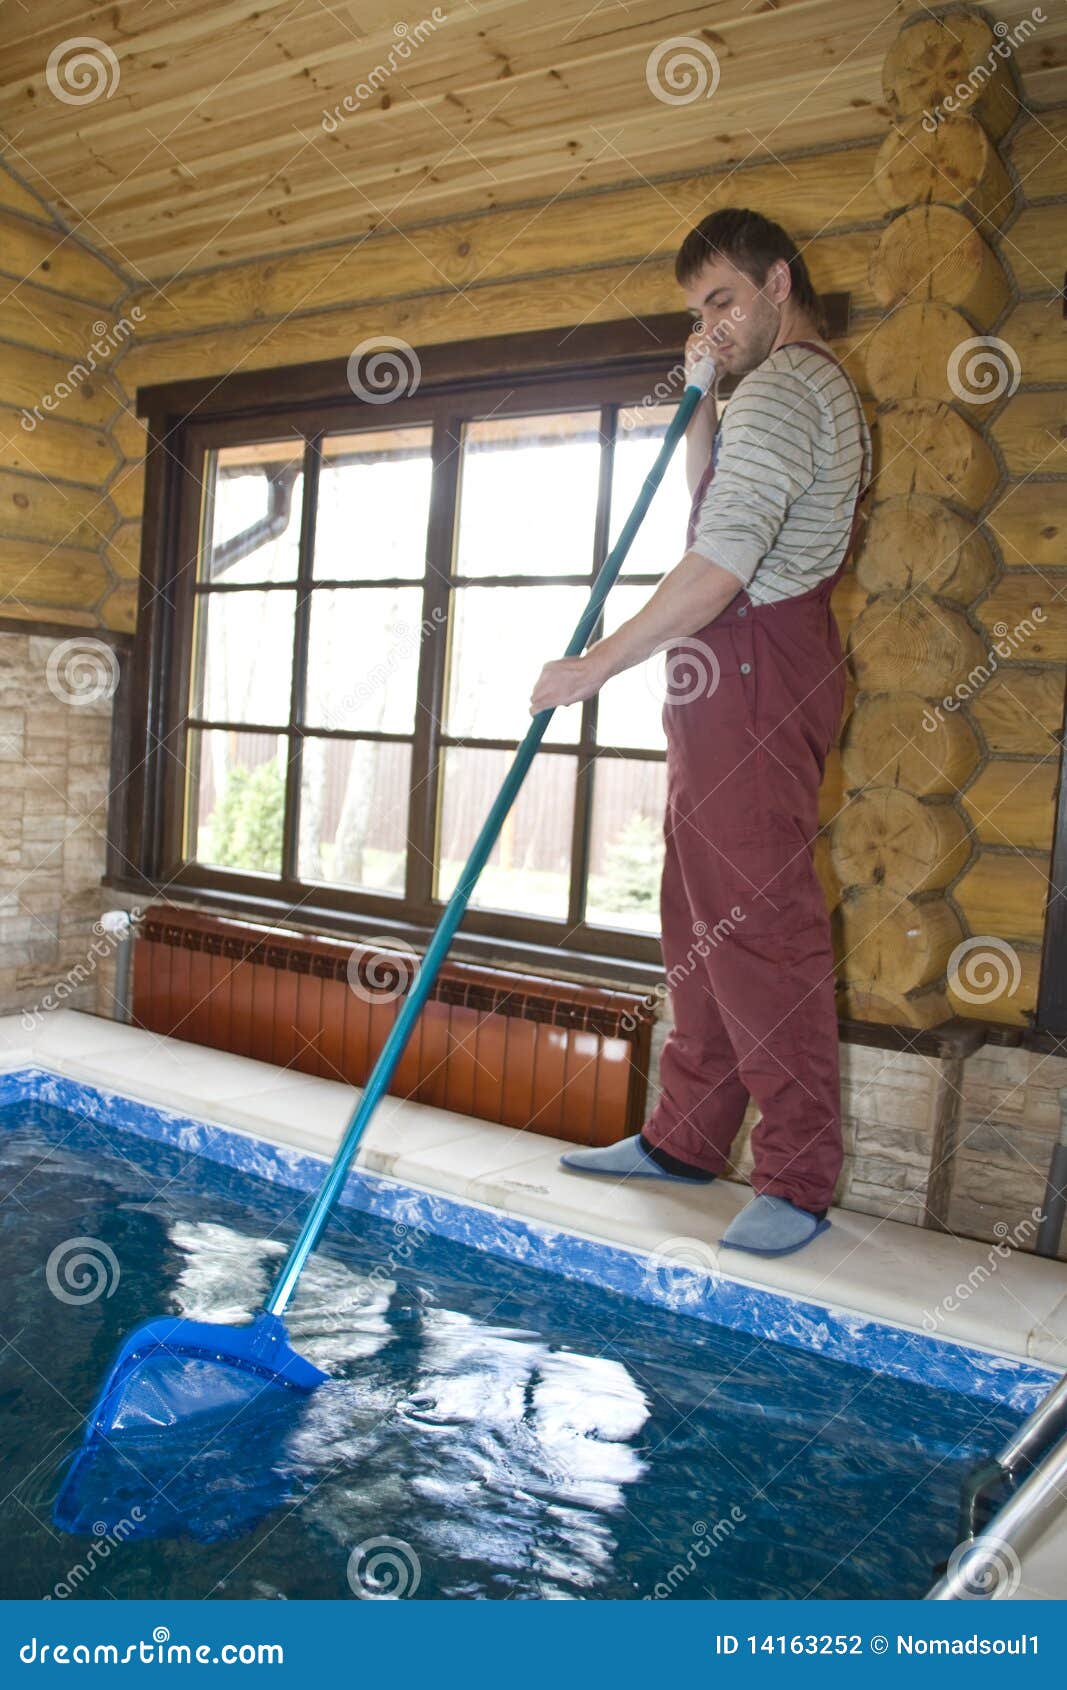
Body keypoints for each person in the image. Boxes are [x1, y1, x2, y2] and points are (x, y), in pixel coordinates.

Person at [529, 208, 871, 1259]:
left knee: (758, 925)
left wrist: (594, 664)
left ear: (777, 281)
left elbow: (717, 567)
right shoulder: (761, 394)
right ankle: (685, 1139)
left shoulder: (788, 388)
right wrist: (694, 398)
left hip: (756, 668)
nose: (711, 323)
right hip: (730, 673)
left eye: (721, 301)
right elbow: (708, 506)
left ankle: (797, 1176)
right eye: (695, 312)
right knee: (699, 916)